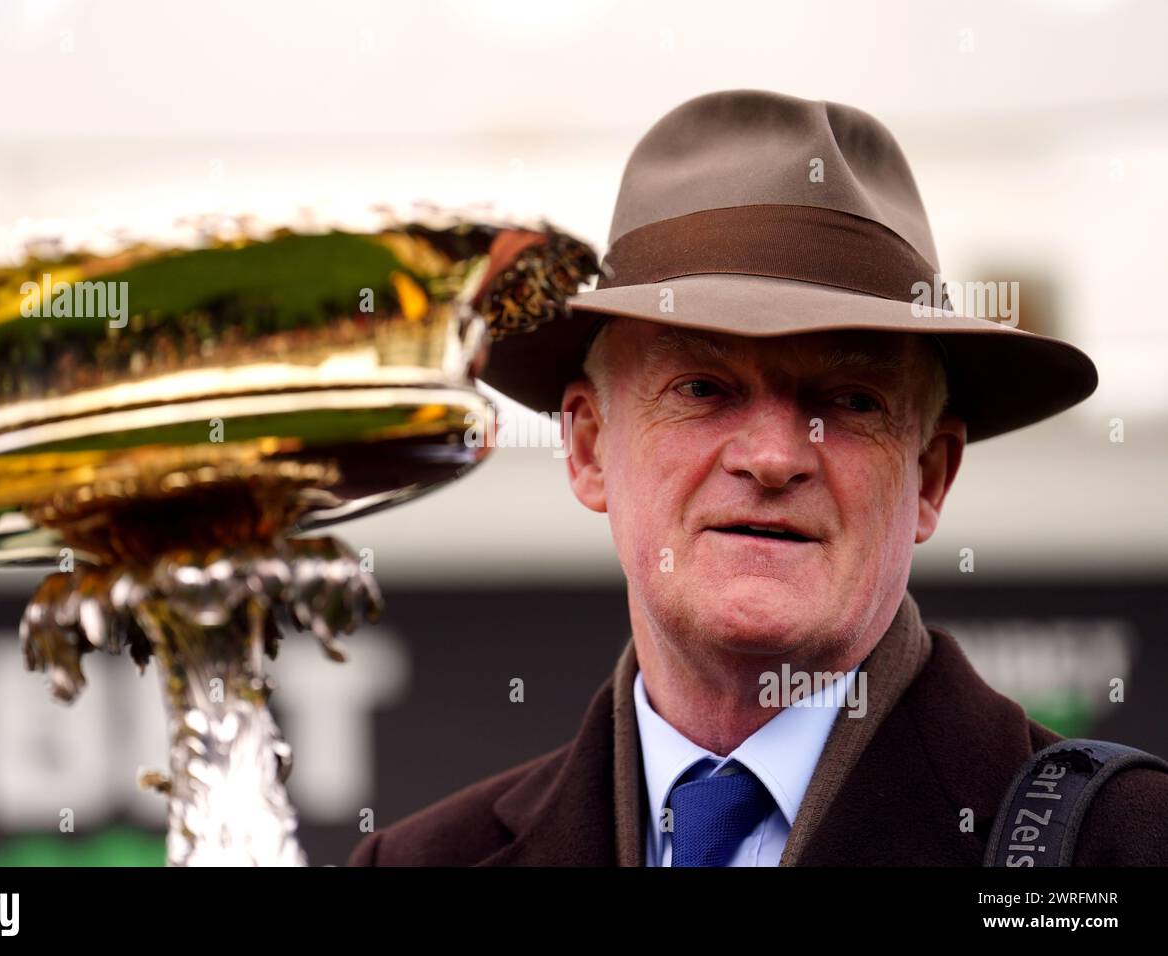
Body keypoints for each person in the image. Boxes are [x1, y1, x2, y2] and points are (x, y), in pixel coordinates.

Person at [347, 90, 1168, 866]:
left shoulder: (1124, 850)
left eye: (849, 400)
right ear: (589, 447)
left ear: (929, 474)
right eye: (703, 389)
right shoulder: (422, 861)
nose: (775, 456)